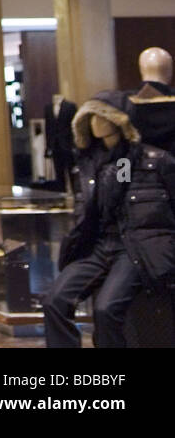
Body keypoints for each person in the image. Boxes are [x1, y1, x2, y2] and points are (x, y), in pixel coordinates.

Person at [43, 91, 175, 347]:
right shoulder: (88, 164)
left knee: (105, 310)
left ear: (119, 121)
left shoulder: (149, 161)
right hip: (98, 246)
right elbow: (87, 213)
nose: (95, 123)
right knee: (54, 301)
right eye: (89, 118)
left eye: (100, 117)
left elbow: (122, 187)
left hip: (133, 246)